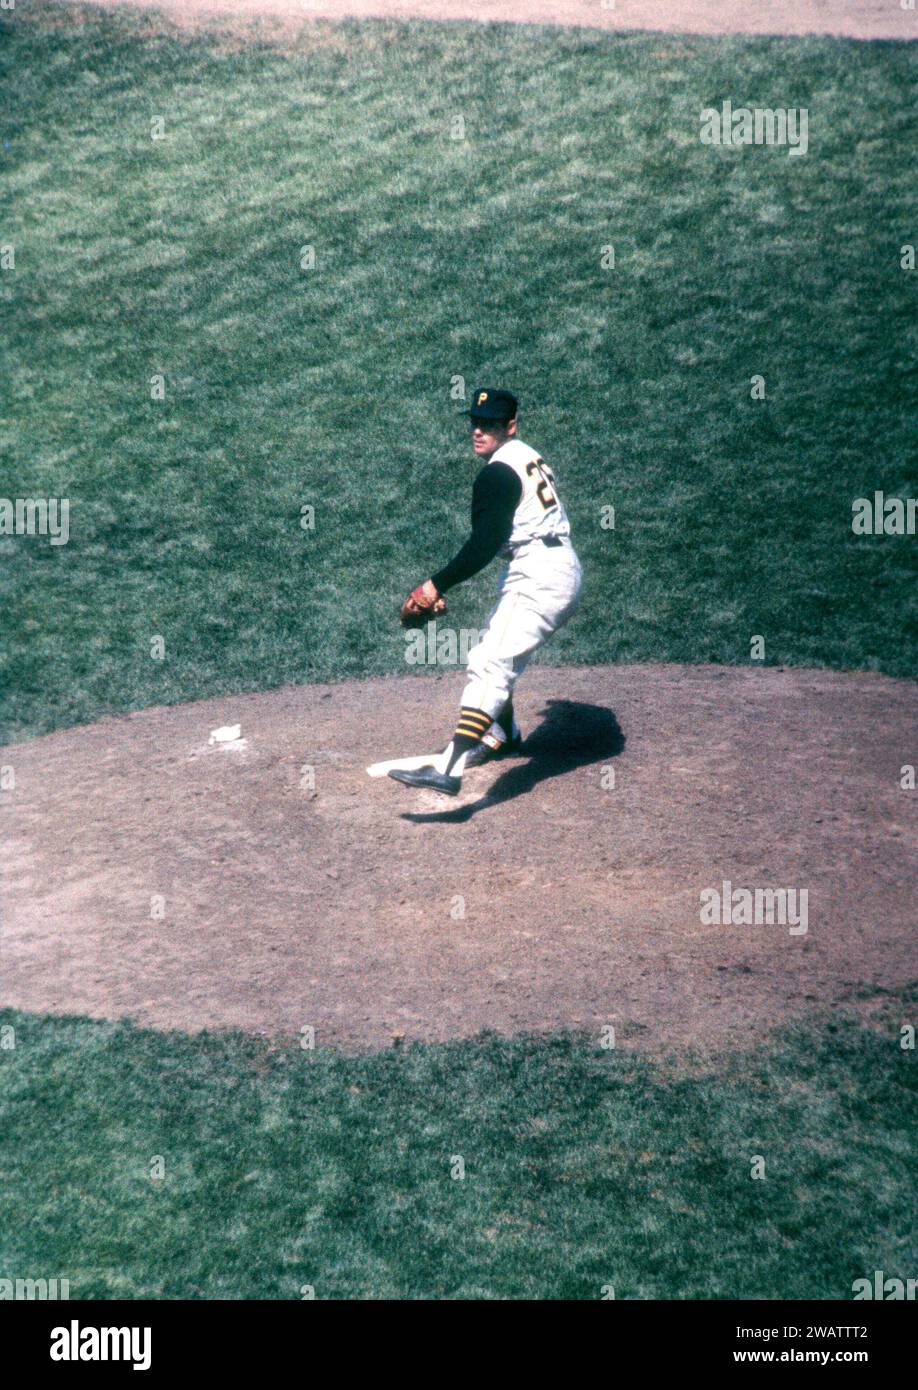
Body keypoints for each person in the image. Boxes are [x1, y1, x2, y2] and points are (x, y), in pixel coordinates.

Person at [391, 387, 582, 796]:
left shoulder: (498, 473)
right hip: (546, 566)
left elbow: (482, 545)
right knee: (496, 645)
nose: (479, 431)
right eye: (475, 423)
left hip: (540, 575)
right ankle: (504, 733)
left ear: (509, 426)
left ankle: (448, 769)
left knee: (491, 662)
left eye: (490, 424)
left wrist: (434, 585)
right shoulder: (525, 455)